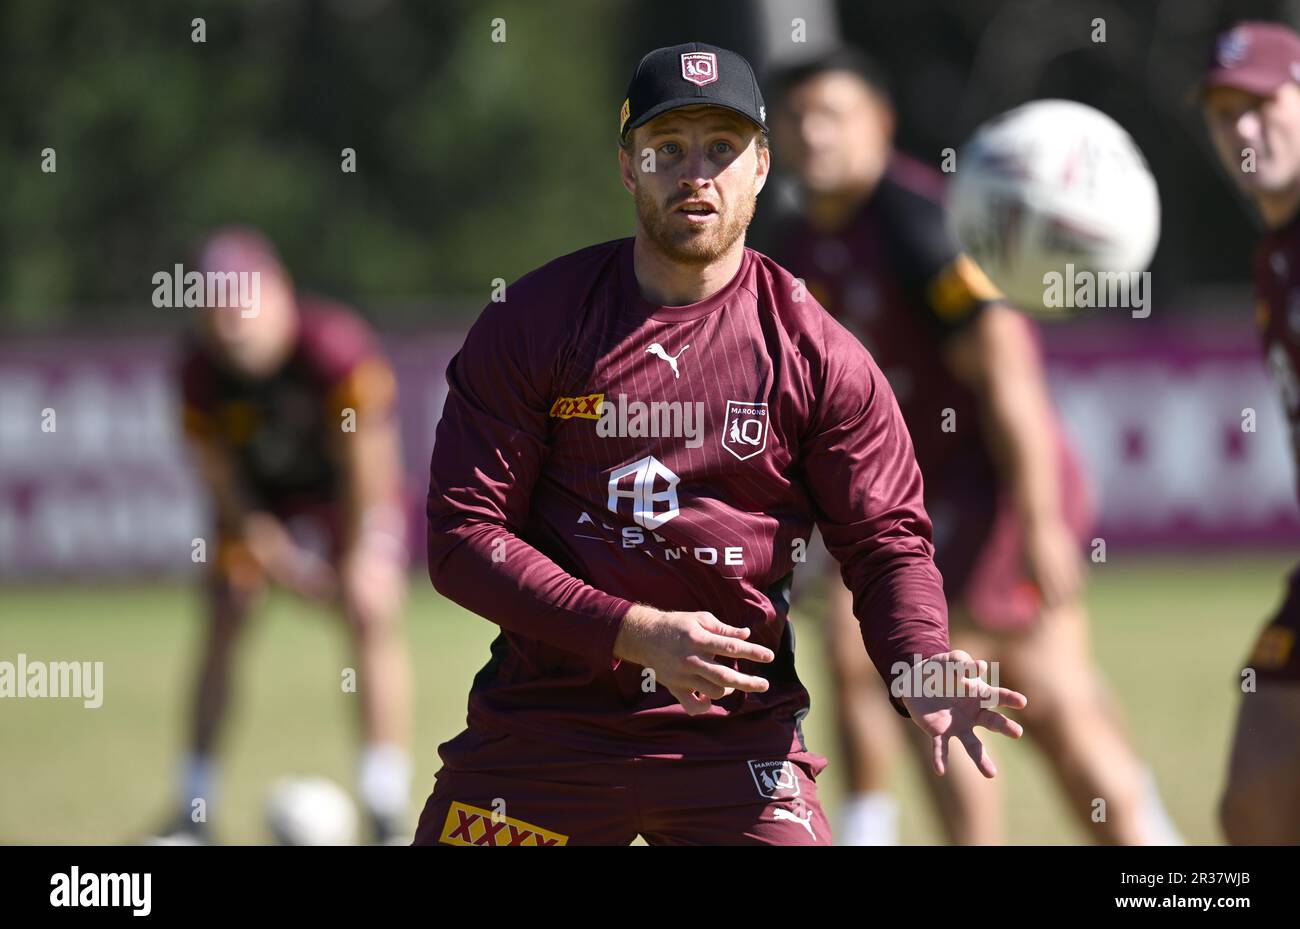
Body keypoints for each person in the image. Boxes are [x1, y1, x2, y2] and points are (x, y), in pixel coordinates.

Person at [414, 43, 1025, 847]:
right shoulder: (533, 324)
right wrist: (634, 631)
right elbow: (463, 538)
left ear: (763, 167)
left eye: (722, 149)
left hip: (735, 743)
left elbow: (885, 544)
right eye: (667, 150)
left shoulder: (818, 353)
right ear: (628, 167)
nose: (695, 173)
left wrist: (919, 658)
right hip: (541, 734)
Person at [765, 48, 1181, 845]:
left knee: (1044, 695)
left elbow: (1008, 376)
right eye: (797, 118)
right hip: (904, 505)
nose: (814, 133)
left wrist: (1041, 520)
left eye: (834, 115)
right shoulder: (789, 247)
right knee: (914, 681)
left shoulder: (920, 227)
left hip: (994, 492)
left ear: (880, 126)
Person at [154, 228, 413, 844]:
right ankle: (191, 811)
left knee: (369, 605)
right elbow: (227, 492)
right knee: (227, 606)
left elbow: (369, 467)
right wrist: (280, 562)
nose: (231, 319)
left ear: (279, 295)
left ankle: (385, 808)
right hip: (260, 507)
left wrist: (351, 559)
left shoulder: (334, 347)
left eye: (244, 300)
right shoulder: (196, 373)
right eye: (216, 303)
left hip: (344, 497)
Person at [1200, 20, 1300, 845]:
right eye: (1224, 111)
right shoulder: (1275, 252)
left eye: (1263, 104)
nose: (1242, 128)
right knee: (1254, 805)